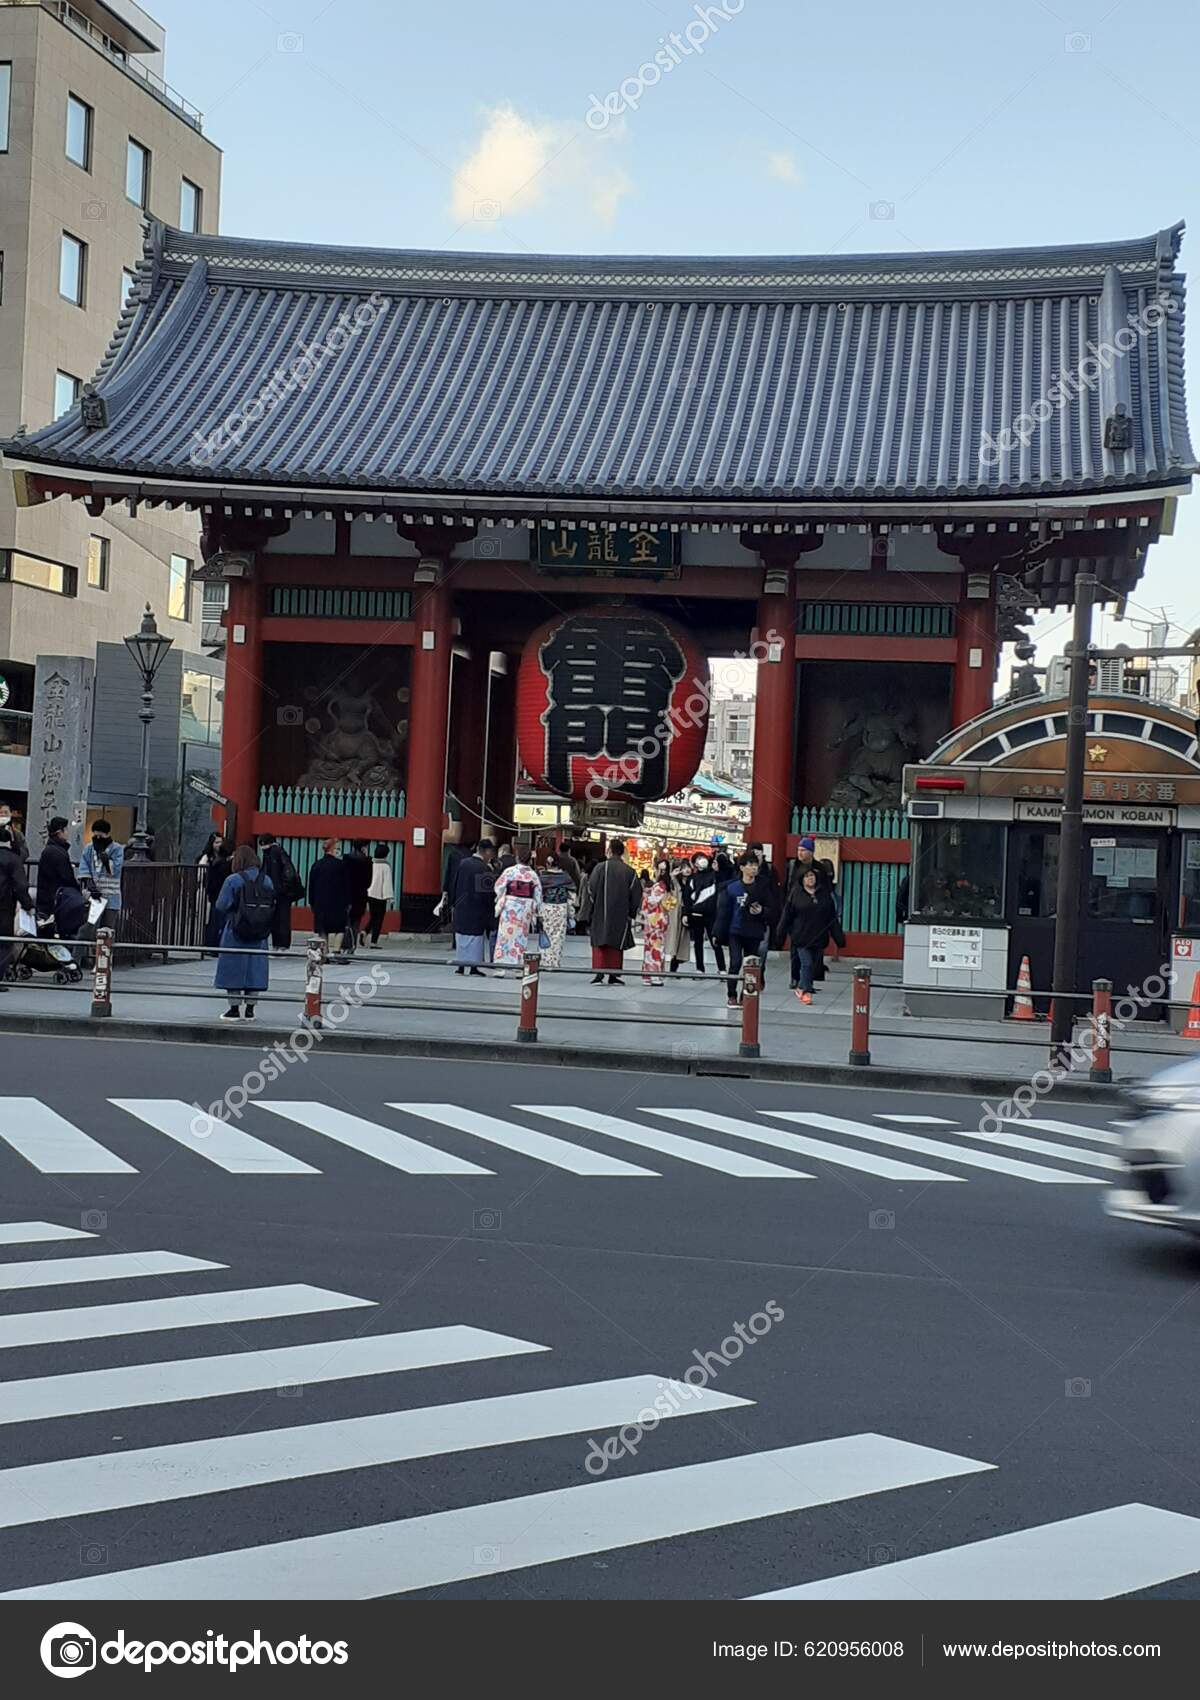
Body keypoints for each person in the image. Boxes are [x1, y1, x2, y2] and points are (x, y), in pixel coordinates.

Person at [212, 844, 274, 1020]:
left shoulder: (233, 880)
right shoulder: (267, 880)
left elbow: (221, 905)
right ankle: (250, 1009)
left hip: (236, 930)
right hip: (260, 931)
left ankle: (234, 1009)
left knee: (233, 968)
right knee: (255, 969)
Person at [579, 838, 642, 985]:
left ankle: (598, 973)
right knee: (616, 944)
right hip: (620, 914)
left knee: (600, 942)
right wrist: (630, 912)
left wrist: (587, 912)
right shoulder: (629, 872)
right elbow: (636, 895)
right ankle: (614, 974)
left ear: (610, 850)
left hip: (599, 912)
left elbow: (590, 891)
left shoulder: (600, 868)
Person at [779, 866, 845, 1003]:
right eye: (807, 876)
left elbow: (831, 919)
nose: (810, 878)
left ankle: (803, 986)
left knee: (814, 966)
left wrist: (839, 938)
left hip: (819, 937)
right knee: (806, 964)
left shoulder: (824, 895)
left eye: (812, 876)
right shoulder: (795, 894)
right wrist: (780, 935)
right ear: (802, 879)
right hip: (801, 937)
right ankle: (806, 992)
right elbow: (786, 917)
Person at [724, 850, 781, 1010]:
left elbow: (772, 909)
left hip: (754, 930)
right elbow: (724, 912)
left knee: (751, 964)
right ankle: (731, 995)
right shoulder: (732, 888)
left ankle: (746, 995)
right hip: (735, 930)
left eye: (755, 865)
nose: (753, 868)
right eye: (750, 865)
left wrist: (762, 911)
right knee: (735, 963)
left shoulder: (763, 887)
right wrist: (719, 932)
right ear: (742, 867)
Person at [492, 848, 542, 975]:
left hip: (510, 907)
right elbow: (538, 895)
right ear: (530, 860)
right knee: (520, 938)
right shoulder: (533, 875)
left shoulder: (510, 871)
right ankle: (518, 967)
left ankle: (501, 968)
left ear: (517, 858)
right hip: (525, 908)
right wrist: (535, 908)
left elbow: (498, 886)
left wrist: (502, 896)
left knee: (504, 937)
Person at [452, 838, 496, 974]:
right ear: (487, 851)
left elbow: (454, 884)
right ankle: (473, 967)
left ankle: (460, 965)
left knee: (461, 936)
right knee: (475, 939)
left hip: (461, 905)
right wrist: (490, 908)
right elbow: (486, 893)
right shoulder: (483, 868)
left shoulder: (463, 863)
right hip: (476, 908)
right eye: (491, 852)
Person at [37, 816, 85, 939]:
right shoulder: (58, 852)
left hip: (49, 898)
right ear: (60, 832)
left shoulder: (51, 850)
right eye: (66, 830)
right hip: (56, 900)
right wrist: (78, 891)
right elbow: (67, 877)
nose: (68, 833)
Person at [680, 849, 726, 975]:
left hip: (712, 914)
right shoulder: (692, 879)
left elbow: (727, 881)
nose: (701, 860)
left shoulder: (715, 875)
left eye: (702, 857)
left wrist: (719, 870)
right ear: (694, 864)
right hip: (696, 914)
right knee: (698, 943)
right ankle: (699, 968)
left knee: (715, 941)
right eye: (697, 859)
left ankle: (722, 968)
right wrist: (685, 913)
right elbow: (687, 898)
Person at [0, 823, 33, 991]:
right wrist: (28, 905)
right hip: (4, 905)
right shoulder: (13, 859)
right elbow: (20, 886)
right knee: (4, 943)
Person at [258, 832, 303, 953]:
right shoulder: (279, 852)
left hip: (278, 892)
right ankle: (281, 945)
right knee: (281, 918)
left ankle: (279, 944)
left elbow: (284, 873)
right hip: (281, 892)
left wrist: (280, 888)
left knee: (278, 918)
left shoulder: (273, 853)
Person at [307, 837, 351, 959]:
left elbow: (311, 885)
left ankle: (324, 953)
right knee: (339, 928)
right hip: (338, 902)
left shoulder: (317, 865)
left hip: (320, 902)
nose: (339, 851)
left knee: (322, 929)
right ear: (332, 850)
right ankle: (336, 952)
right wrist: (348, 901)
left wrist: (312, 902)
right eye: (337, 848)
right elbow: (347, 885)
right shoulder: (341, 865)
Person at [640, 860, 682, 986]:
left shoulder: (660, 885)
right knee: (656, 947)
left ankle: (652, 975)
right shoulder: (666, 884)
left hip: (654, 918)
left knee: (652, 948)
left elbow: (652, 900)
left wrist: (646, 895)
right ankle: (653, 975)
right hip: (660, 918)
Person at [79, 819, 124, 929]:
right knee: (90, 927)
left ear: (108, 834)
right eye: (95, 835)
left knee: (107, 930)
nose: (98, 839)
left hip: (111, 895)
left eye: (101, 836)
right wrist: (91, 887)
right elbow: (84, 869)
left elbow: (115, 870)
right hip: (94, 896)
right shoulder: (88, 849)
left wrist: (103, 854)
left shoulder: (117, 849)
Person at [538, 849, 575, 969]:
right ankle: (554, 962)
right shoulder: (565, 877)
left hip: (546, 907)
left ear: (547, 863)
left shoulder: (542, 876)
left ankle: (544, 960)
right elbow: (571, 897)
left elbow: (538, 894)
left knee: (546, 934)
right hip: (561, 909)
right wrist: (571, 913)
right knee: (557, 936)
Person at [204, 838, 233, 950]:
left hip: (214, 894)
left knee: (213, 921)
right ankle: (217, 944)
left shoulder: (216, 863)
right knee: (220, 921)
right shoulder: (226, 865)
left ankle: (211, 944)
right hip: (221, 894)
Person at [344, 839, 373, 950]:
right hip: (360, 895)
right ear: (363, 848)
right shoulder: (367, 862)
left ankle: (344, 944)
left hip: (347, 894)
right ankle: (352, 946)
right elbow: (368, 882)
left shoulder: (346, 860)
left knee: (347, 922)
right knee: (356, 922)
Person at [366, 843, 394, 948]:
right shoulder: (385, 866)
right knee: (379, 918)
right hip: (380, 895)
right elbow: (387, 883)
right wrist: (390, 897)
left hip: (370, 894)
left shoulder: (371, 864)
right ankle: (374, 941)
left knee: (373, 916)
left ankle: (365, 931)